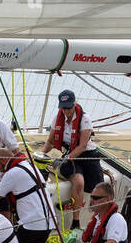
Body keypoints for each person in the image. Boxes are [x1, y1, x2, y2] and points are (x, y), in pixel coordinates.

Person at [43, 89, 104, 228]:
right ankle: (76, 222)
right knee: (79, 182)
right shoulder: (57, 118)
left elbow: (82, 146)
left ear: (75, 104)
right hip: (71, 157)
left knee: (99, 187)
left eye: (69, 107)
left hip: (87, 155)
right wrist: (40, 155)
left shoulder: (85, 119)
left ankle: (99, 219)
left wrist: (66, 158)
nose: (66, 111)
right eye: (63, 108)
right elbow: (50, 141)